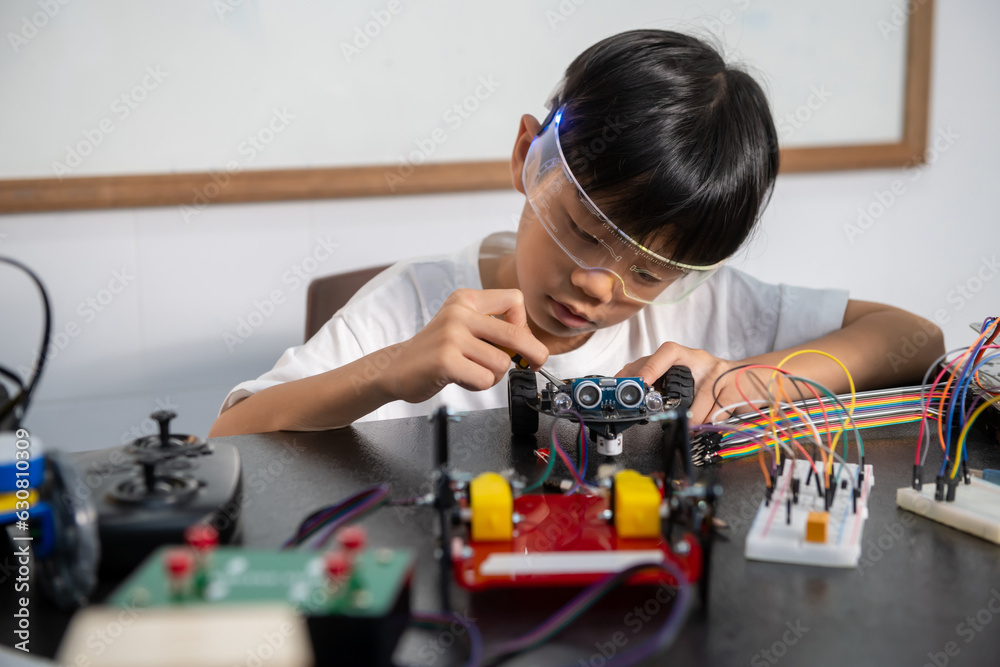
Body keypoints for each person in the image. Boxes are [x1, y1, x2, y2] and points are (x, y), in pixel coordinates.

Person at [209, 29, 942, 438]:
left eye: (648, 273)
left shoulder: (703, 313)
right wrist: (391, 369)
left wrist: (749, 378)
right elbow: (229, 435)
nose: (600, 284)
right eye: (586, 230)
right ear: (528, 154)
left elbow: (916, 338)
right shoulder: (414, 302)